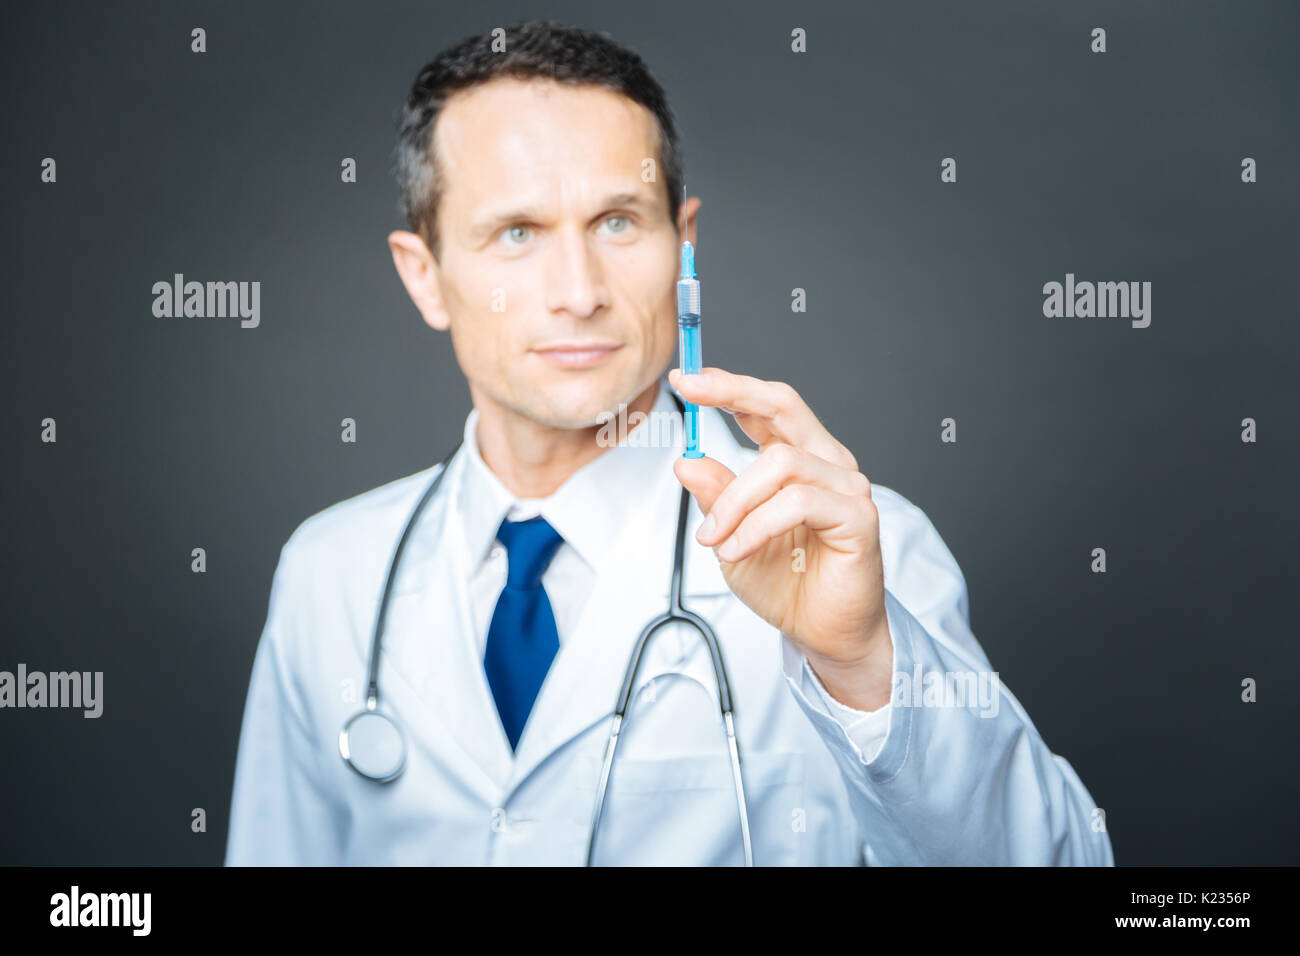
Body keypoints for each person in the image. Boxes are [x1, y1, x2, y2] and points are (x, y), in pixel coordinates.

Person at [224, 21, 1114, 866]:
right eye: (518, 233)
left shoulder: (854, 550)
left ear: (682, 245)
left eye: (618, 221)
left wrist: (862, 663)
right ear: (426, 277)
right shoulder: (330, 575)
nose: (578, 291)